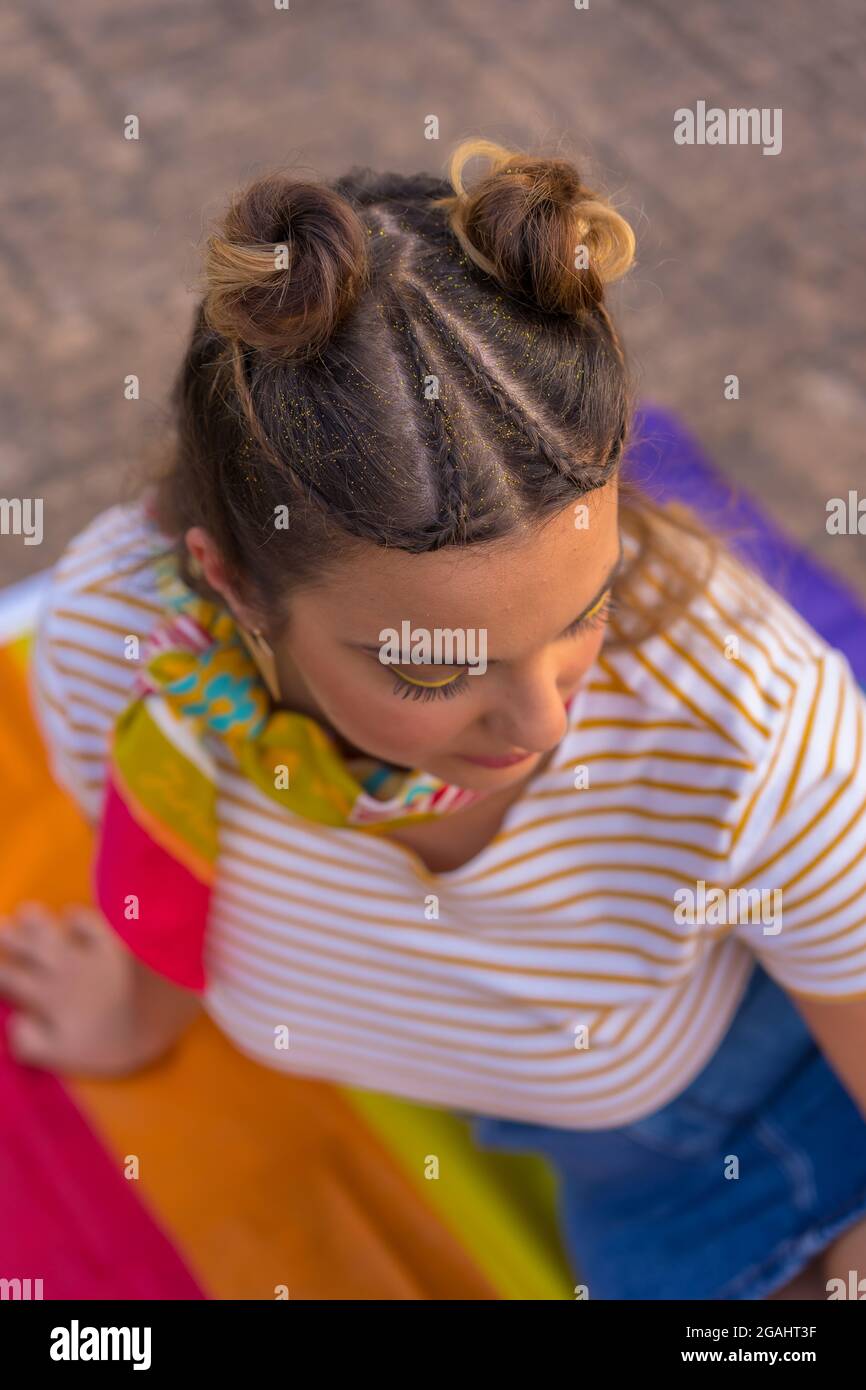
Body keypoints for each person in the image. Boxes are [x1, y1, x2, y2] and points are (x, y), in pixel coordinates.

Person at [4, 138, 866, 1300]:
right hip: (620, 1176)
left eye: (585, 607)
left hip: (774, 1127)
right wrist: (134, 1000)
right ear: (231, 585)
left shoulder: (752, 734)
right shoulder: (125, 654)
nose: (542, 717)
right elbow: (162, 859)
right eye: (431, 667)